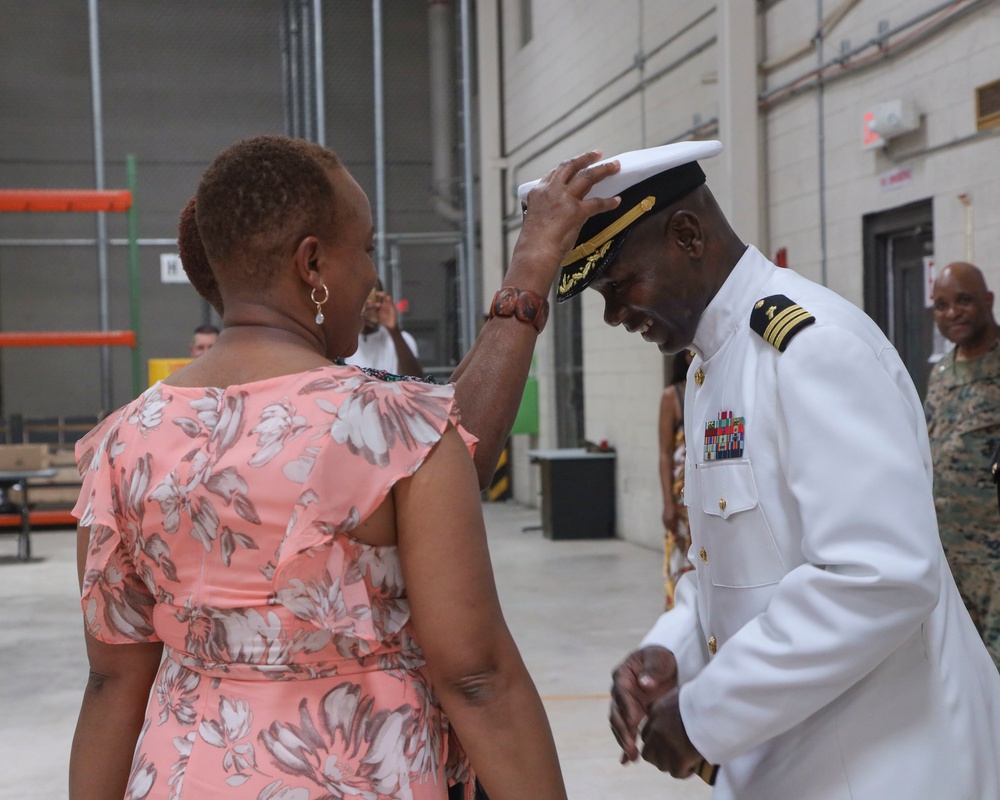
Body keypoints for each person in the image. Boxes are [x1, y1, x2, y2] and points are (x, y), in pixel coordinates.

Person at [69, 135, 620, 800]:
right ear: (312, 264)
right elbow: (477, 679)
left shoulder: (122, 442)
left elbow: (110, 683)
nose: (370, 273)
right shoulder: (394, 430)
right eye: (364, 248)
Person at [516, 140, 1000, 798]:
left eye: (619, 284)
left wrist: (705, 713)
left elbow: (879, 576)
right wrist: (673, 650)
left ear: (686, 234)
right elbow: (731, 567)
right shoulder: (711, 366)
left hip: (883, 761)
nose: (615, 315)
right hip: (793, 755)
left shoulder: (811, 348)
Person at [924, 260, 1000, 669]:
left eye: (964, 301)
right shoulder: (941, 373)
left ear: (988, 301)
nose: (951, 313)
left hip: (995, 563)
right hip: (950, 563)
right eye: (941, 305)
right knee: (964, 675)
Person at [658, 351, 693, 610]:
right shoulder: (672, 396)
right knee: (681, 561)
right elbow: (664, 453)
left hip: (708, 496)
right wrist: (668, 503)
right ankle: (678, 613)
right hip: (681, 499)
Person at [344, 279, 424, 376]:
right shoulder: (346, 343)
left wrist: (394, 330)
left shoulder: (402, 339)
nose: (371, 305)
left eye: (375, 298)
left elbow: (415, 378)